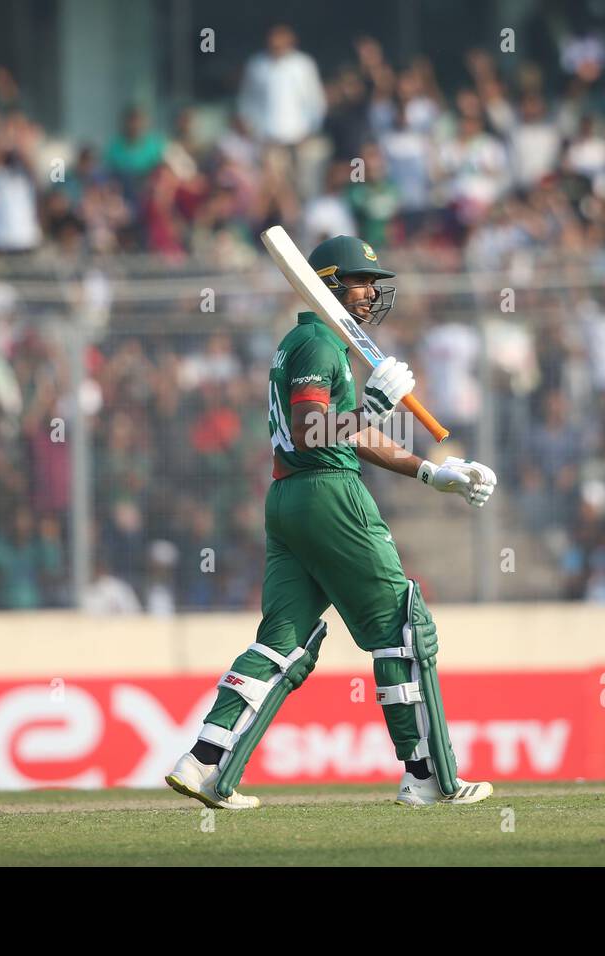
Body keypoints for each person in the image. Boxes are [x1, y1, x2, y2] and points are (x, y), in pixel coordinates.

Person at [166, 235, 498, 809]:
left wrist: (430, 472)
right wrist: (372, 406)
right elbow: (311, 432)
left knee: (282, 644)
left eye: (372, 282)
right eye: (360, 280)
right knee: (404, 627)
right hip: (329, 494)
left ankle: (203, 762)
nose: (370, 291)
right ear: (327, 282)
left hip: (288, 499)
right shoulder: (320, 343)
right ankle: (428, 777)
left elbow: (349, 433)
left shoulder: (306, 341)